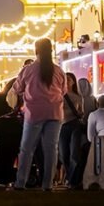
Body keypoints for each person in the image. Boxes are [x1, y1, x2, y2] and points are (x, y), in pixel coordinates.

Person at [10, 38, 66, 191]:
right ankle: (48, 185)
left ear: (36, 51)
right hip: (55, 113)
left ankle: (20, 183)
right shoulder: (59, 71)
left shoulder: (28, 70)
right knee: (51, 149)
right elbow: (64, 90)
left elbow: (17, 88)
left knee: (27, 149)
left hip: (34, 113)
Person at [59, 73, 84, 187]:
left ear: (73, 81)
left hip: (74, 124)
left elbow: (81, 111)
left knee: (74, 153)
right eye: (65, 79)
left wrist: (79, 114)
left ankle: (72, 180)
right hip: (62, 126)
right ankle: (70, 177)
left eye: (69, 79)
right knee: (64, 154)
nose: (67, 81)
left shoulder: (78, 96)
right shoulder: (59, 95)